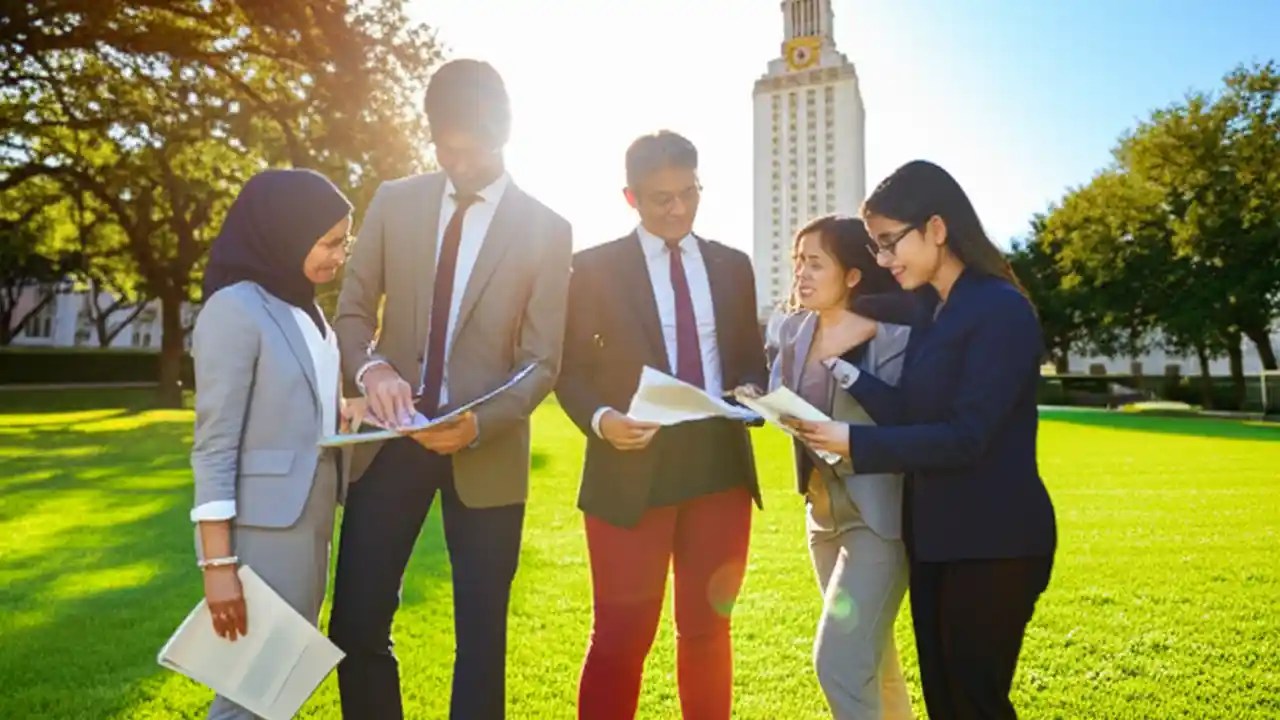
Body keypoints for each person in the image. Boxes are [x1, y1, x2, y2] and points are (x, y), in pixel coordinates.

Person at [327, 58, 573, 719]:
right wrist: (372, 370)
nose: (457, 163)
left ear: (506, 132)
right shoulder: (393, 200)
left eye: (472, 149)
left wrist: (480, 422)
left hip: (485, 452)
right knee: (353, 626)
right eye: (445, 148)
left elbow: (541, 361)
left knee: (482, 644)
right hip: (389, 443)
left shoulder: (549, 230)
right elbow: (351, 313)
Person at [786, 160, 1057, 720]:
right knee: (945, 706)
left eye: (889, 243)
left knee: (975, 705)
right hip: (934, 540)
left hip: (995, 544)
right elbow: (913, 412)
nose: (883, 260)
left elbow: (967, 437)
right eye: (876, 247)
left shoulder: (1000, 309)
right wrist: (847, 374)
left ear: (937, 228)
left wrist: (852, 441)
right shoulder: (934, 310)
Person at [555, 130, 768, 720]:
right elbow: (567, 369)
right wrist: (601, 420)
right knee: (622, 639)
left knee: (707, 632)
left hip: (718, 468)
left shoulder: (733, 265)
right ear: (630, 198)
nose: (677, 209)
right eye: (660, 198)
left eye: (688, 193)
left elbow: (751, 357)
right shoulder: (591, 268)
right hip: (629, 470)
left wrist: (752, 390)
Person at [189, 168, 356, 720]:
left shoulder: (310, 313)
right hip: (263, 532)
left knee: (279, 689)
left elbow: (307, 415)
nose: (340, 255)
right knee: (250, 696)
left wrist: (357, 414)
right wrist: (218, 567)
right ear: (284, 231)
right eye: (329, 241)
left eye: (345, 242)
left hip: (312, 522)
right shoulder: (236, 308)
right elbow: (214, 446)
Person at [746, 215, 914, 720]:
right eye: (798, 261)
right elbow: (781, 393)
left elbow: (910, 425)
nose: (802, 273)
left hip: (878, 521)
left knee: (838, 663)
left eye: (816, 263)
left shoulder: (894, 338)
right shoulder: (795, 331)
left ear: (854, 274)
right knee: (876, 660)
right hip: (821, 517)